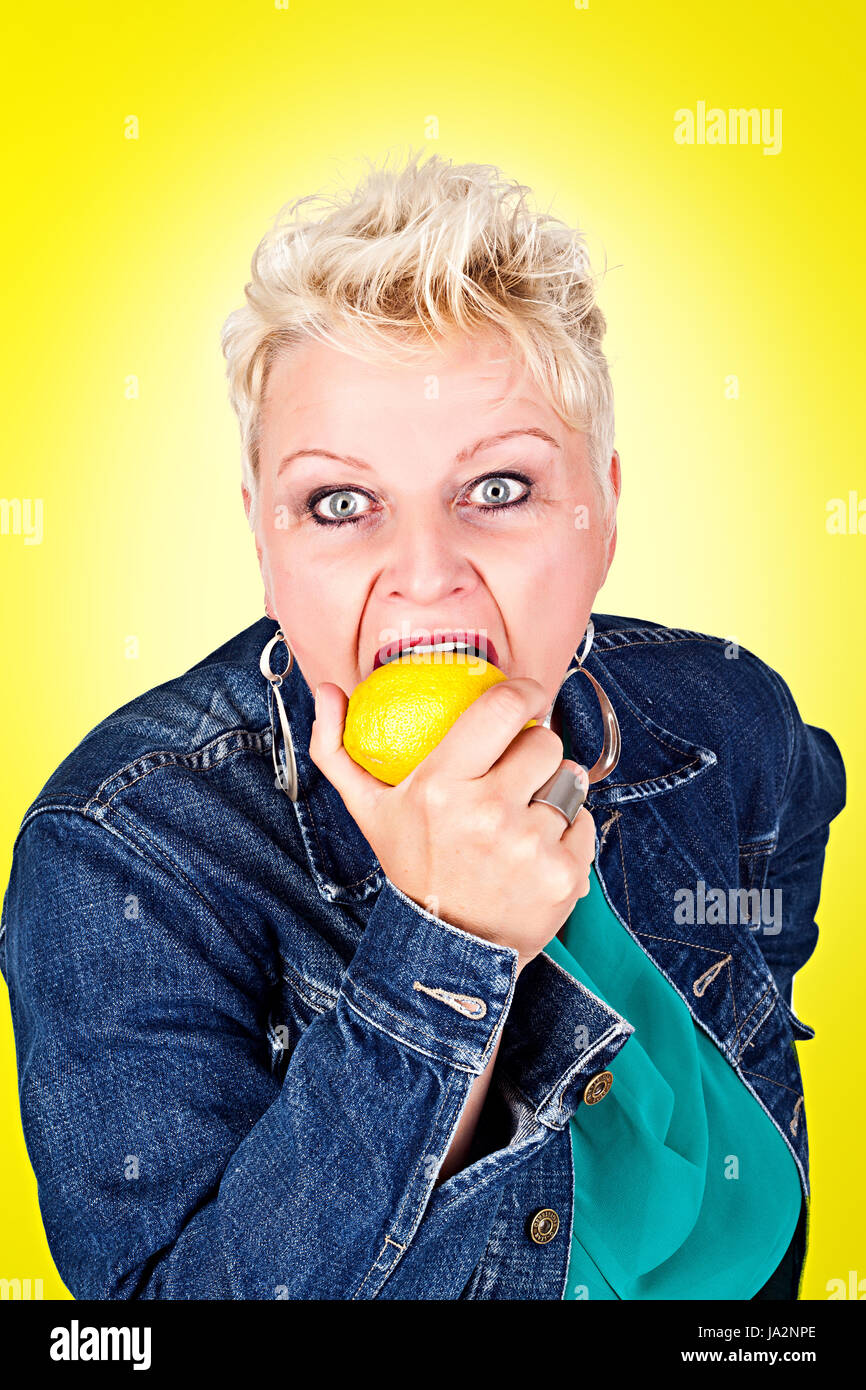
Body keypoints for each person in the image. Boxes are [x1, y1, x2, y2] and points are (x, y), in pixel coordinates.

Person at [0, 151, 846, 1300]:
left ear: (600, 511)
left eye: (496, 488)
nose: (424, 578)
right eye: (340, 503)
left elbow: (793, 816)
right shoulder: (120, 853)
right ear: (262, 538)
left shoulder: (718, 705)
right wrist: (447, 941)